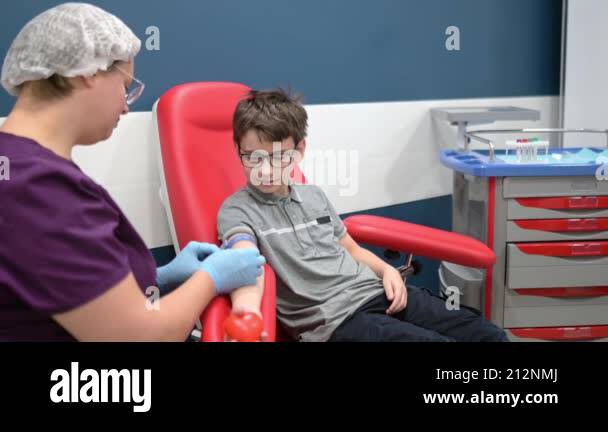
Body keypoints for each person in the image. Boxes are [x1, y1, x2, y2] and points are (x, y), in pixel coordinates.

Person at [0, 3, 265, 341]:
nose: (126, 105)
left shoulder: (18, 165)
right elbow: (138, 337)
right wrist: (210, 278)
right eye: (125, 86)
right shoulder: (39, 187)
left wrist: (158, 277)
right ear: (88, 72)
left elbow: (63, 289)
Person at [217, 88, 509, 342]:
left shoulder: (313, 195)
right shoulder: (237, 211)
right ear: (238, 150)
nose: (265, 170)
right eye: (253, 157)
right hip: (335, 321)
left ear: (299, 150)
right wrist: (248, 312)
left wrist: (387, 271)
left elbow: (352, 250)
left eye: (279, 157)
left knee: (488, 334)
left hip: (376, 292)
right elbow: (244, 262)